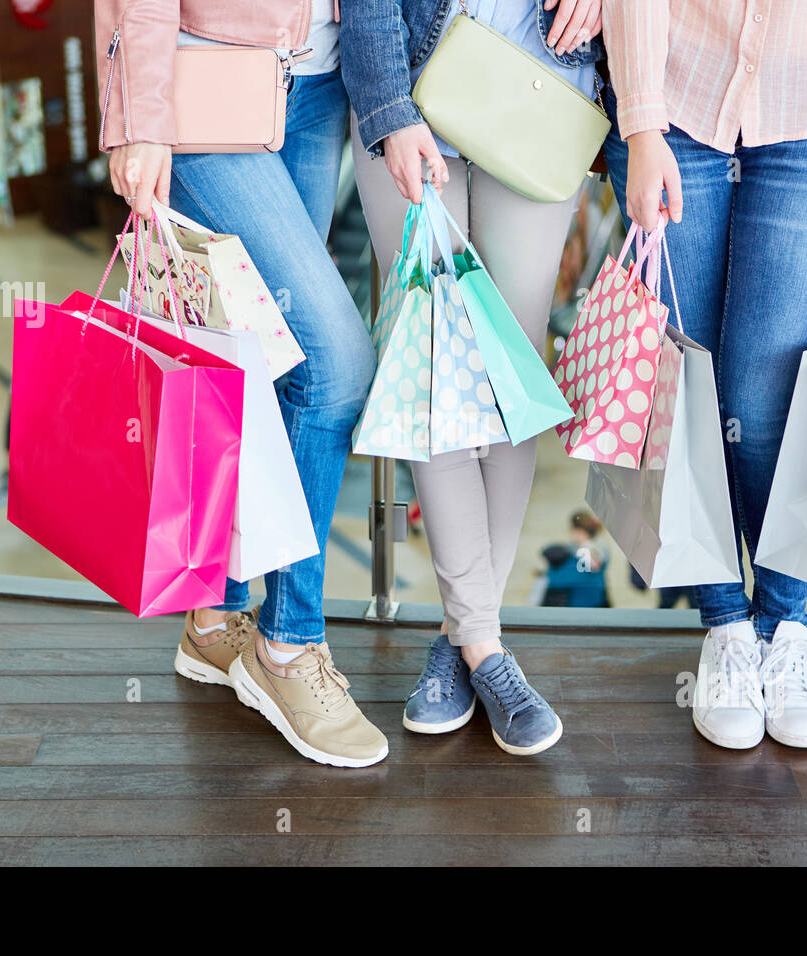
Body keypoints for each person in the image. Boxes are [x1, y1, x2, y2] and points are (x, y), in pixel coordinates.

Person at [604, 0, 807, 750]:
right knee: (687, 383)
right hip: (673, 96)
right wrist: (642, 122)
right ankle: (725, 626)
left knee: (765, 394)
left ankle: (783, 626)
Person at [94, 0, 385, 768]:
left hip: (319, 85)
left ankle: (216, 618)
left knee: (252, 361)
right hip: (204, 82)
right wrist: (140, 116)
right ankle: (288, 648)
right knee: (336, 367)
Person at [341, 0, 604, 755]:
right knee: (434, 368)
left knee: (509, 377)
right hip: (414, 89)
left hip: (541, 88)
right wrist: (388, 106)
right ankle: (487, 652)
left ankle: (462, 642)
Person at [538, 511, 611, 608]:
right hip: (591, 598)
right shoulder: (594, 544)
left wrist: (583, 544)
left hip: (585, 601)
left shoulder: (594, 546)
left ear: (577, 531)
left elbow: (594, 566)